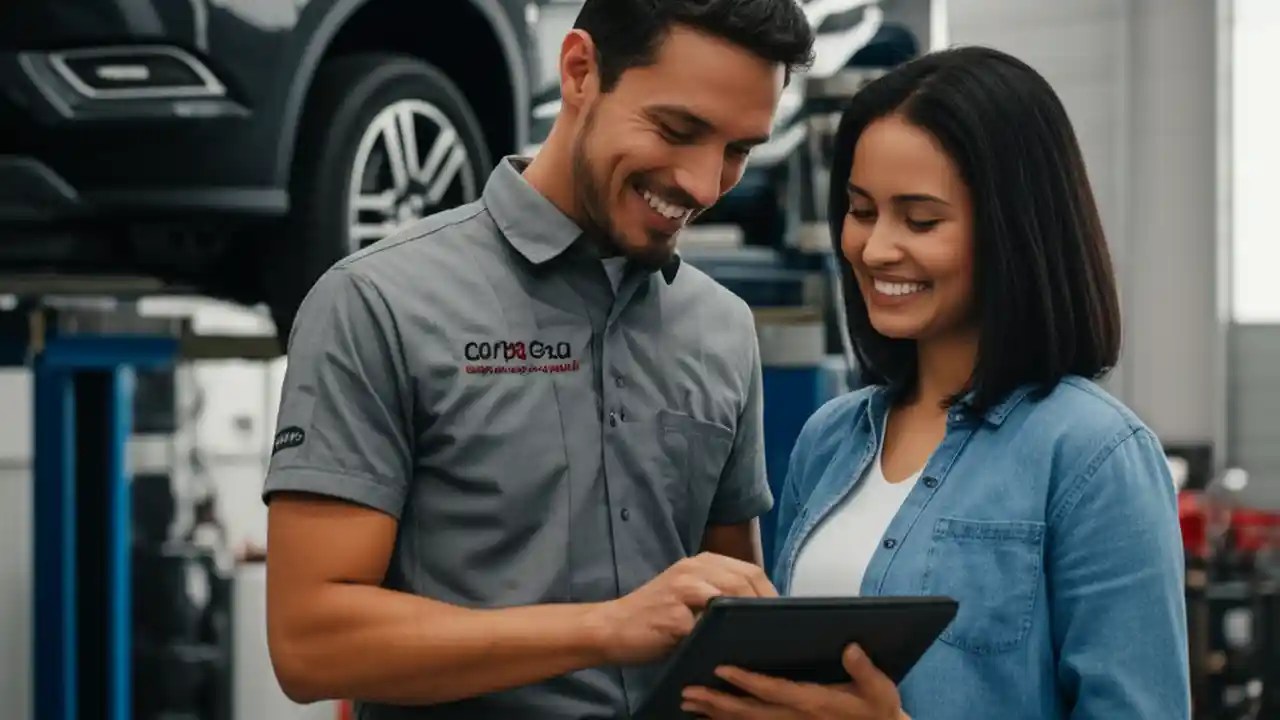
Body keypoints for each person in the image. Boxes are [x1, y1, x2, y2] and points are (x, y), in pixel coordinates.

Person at [260, 1, 814, 718]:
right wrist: (606, 628)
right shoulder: (378, 303)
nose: (705, 186)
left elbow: (729, 623)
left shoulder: (723, 329)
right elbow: (311, 645)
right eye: (679, 130)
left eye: (739, 150)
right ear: (580, 70)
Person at [682, 46, 1191, 719]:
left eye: (920, 220)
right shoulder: (830, 440)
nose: (876, 247)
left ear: (1013, 230)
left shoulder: (1093, 457)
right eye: (861, 211)